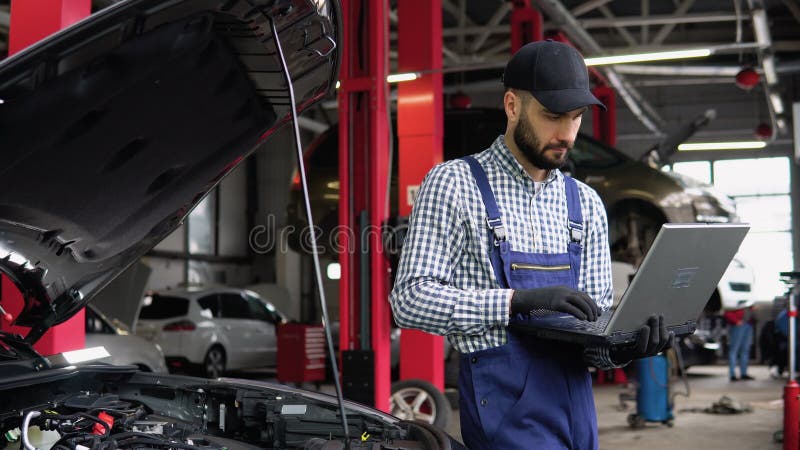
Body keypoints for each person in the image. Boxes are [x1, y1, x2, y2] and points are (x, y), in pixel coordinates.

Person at [390, 40, 673, 450]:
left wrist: (625, 347)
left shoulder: (587, 204)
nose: (566, 134)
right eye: (553, 116)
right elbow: (409, 300)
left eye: (576, 118)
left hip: (576, 413)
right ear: (512, 105)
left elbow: (592, 345)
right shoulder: (454, 184)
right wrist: (514, 302)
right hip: (503, 414)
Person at [724, 306, 755, 381]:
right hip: (737, 325)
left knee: (745, 350)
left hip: (747, 325)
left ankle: (743, 373)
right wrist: (735, 321)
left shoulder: (748, 300)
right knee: (734, 350)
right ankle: (732, 375)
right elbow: (727, 311)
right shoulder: (734, 299)